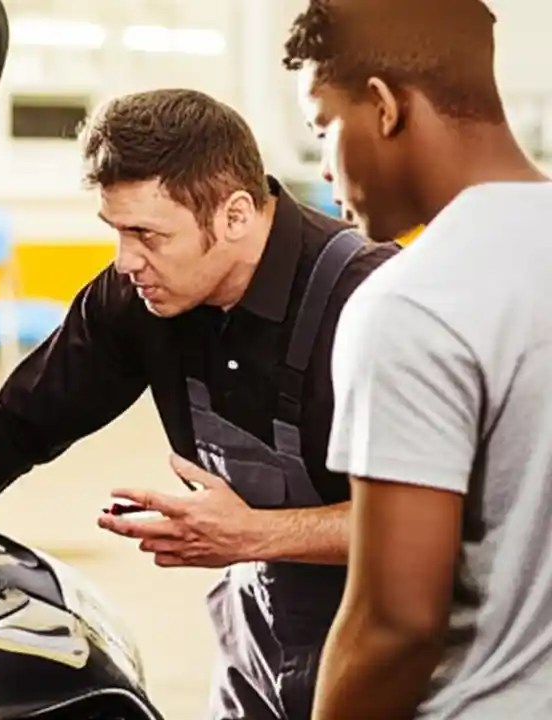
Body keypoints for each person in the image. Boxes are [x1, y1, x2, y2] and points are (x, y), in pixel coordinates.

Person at [0, 88, 398, 719]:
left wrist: (252, 533)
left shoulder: (374, 305)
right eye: (116, 231)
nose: (126, 262)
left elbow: (449, 522)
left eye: (147, 234)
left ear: (233, 215)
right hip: (259, 645)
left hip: (400, 650)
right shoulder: (139, 300)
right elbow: (10, 425)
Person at [283, 1, 552, 718]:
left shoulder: (410, 301)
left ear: (382, 106)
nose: (325, 170)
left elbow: (395, 625)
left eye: (322, 130)